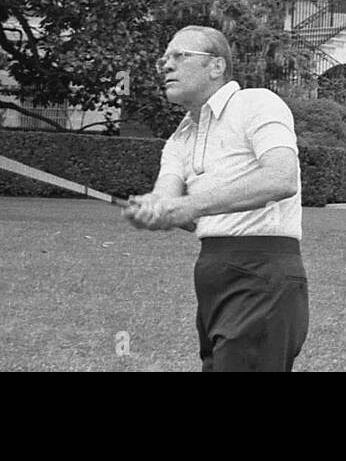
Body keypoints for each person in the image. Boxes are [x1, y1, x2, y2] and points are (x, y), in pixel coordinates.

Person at [124, 26, 309, 372]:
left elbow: (281, 178)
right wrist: (153, 210)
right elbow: (169, 200)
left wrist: (189, 205)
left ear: (216, 66)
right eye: (164, 58)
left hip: (263, 273)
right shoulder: (180, 136)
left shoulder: (257, 103)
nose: (166, 65)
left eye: (180, 56)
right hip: (212, 272)